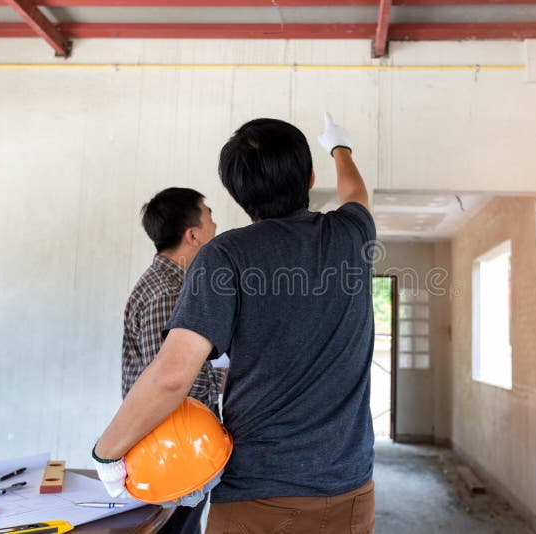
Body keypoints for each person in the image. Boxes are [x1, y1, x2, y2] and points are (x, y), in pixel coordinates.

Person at [93, 113, 376, 533]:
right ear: (311, 178)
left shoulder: (225, 256)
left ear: (238, 195)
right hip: (353, 489)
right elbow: (356, 192)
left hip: (261, 497)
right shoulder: (352, 234)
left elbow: (172, 376)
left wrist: (107, 453)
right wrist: (341, 148)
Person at [118, 187, 225, 534]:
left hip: (179, 451)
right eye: (209, 217)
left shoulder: (174, 285)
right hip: (174, 455)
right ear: (193, 235)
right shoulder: (169, 292)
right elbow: (172, 383)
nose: (215, 225)